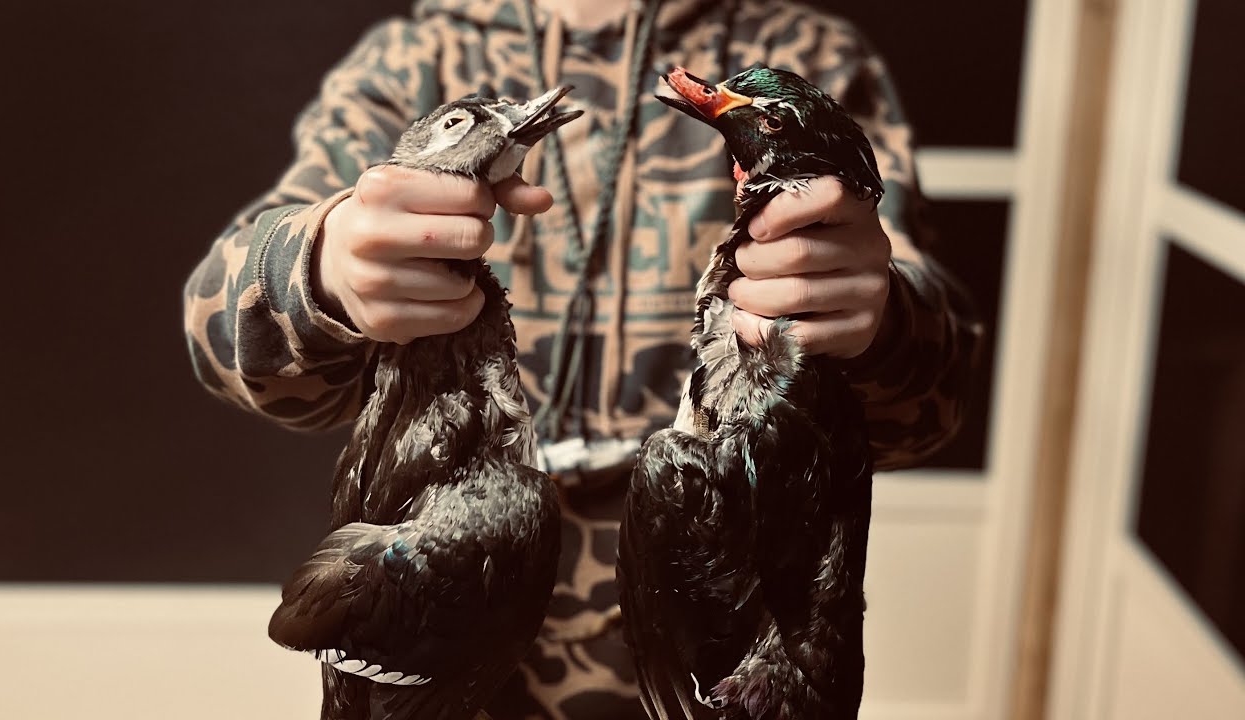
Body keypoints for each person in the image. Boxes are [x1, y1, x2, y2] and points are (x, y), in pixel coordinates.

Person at [183, 0, 981, 716]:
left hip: (720, 661)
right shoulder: (414, 59)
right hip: (444, 652)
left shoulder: (810, 54)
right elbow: (220, 335)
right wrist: (322, 265)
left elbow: (936, 397)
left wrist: (879, 317)